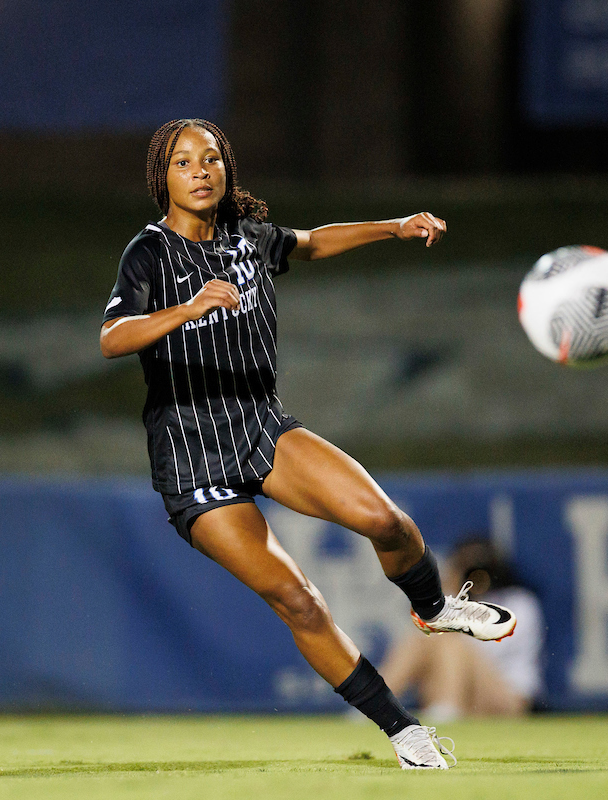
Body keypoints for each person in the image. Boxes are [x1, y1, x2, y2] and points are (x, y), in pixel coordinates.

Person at [100, 119, 517, 770]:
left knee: (387, 520)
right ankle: (405, 734)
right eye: (184, 162)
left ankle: (435, 610)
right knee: (299, 601)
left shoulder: (250, 240)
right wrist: (185, 310)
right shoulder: (149, 253)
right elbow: (113, 336)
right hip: (191, 459)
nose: (201, 170)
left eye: (211, 158)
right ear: (165, 179)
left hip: (261, 426)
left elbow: (314, 243)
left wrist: (395, 225)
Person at [381, 538, 545, 720]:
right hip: (459, 690)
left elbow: (491, 645)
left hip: (508, 697)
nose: (477, 576)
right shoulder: (453, 599)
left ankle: (448, 708)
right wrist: (448, 590)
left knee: (449, 642)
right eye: (469, 569)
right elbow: (423, 628)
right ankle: (375, 706)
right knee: (417, 641)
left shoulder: (518, 601)